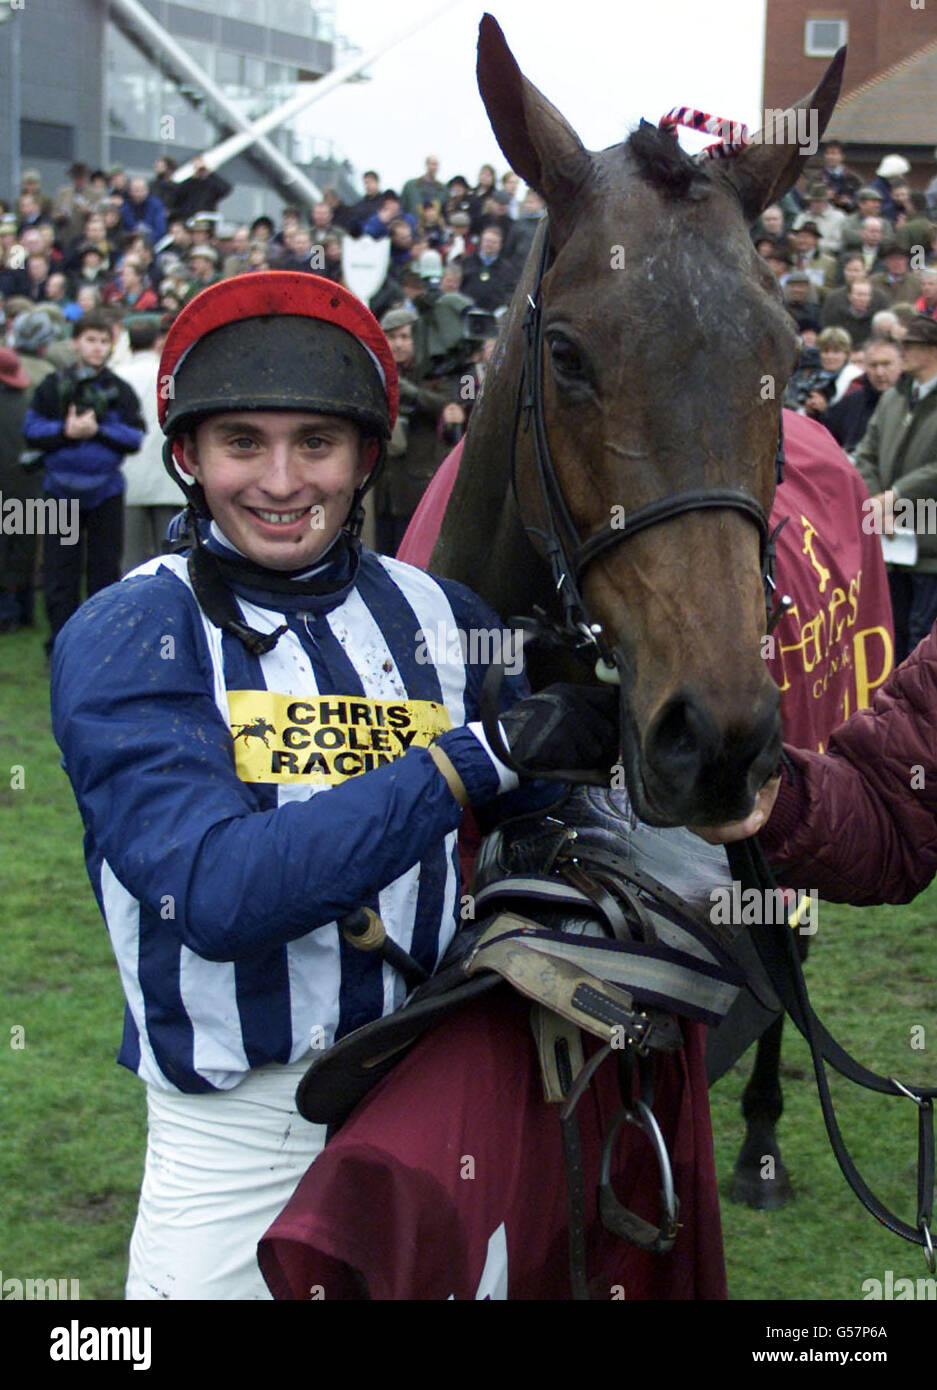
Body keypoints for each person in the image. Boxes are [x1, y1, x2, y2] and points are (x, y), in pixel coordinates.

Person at [48, 271, 618, 1300]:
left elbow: (538, 821)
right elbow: (219, 895)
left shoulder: (446, 615)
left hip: (434, 1103)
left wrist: (612, 742)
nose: (279, 480)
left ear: (366, 457)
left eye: (314, 442)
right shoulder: (133, 629)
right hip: (238, 1144)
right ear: (186, 456)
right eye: (240, 444)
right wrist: (468, 757)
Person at [22, 309, 144, 654]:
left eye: (104, 341)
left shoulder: (118, 389)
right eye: (90, 339)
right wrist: (65, 430)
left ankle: (101, 643)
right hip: (59, 490)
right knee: (60, 571)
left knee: (104, 569)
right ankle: (61, 645)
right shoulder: (51, 386)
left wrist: (98, 430)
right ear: (76, 342)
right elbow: (31, 430)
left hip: (106, 490)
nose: (97, 347)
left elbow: (135, 436)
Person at [853, 314, 937, 664]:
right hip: (889, 540)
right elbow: (866, 453)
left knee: (922, 639)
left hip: (929, 542)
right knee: (892, 632)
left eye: (911, 346)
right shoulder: (892, 398)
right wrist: (875, 501)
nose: (903, 352)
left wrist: (896, 495)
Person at [114, 317, 184, 572]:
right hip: (165, 474)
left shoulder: (117, 375)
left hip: (129, 473)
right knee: (171, 556)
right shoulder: (169, 377)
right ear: (157, 342)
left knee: (129, 559)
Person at [0, 347, 41, 631]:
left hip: (5, 488)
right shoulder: (30, 404)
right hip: (31, 486)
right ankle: (25, 613)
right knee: (24, 551)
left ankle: (7, 616)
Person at [820, 335, 903, 454]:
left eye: (886, 364)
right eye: (873, 365)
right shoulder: (850, 404)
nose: (879, 372)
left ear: (901, 365)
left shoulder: (911, 404)